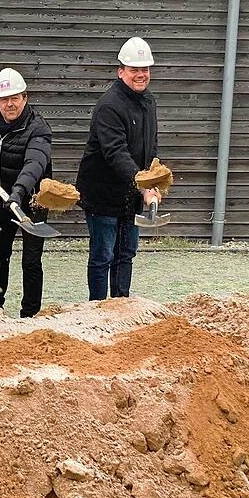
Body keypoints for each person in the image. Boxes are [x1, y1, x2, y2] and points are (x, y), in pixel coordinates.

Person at [76, 36, 161, 300]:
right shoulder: (109, 106)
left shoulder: (148, 102)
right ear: (121, 71)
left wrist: (154, 179)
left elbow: (150, 147)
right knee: (103, 255)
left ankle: (121, 304)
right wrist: (144, 185)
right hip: (102, 193)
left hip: (131, 193)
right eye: (135, 69)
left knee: (126, 253)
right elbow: (116, 153)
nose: (141, 75)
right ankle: (98, 309)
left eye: (145, 69)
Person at [0, 68, 52, 318]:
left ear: (25, 98)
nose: (10, 104)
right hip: (3, 199)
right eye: (4, 99)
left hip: (31, 201)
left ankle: (30, 314)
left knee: (31, 260)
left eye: (15, 98)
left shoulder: (38, 128)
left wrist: (18, 193)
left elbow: (34, 165)